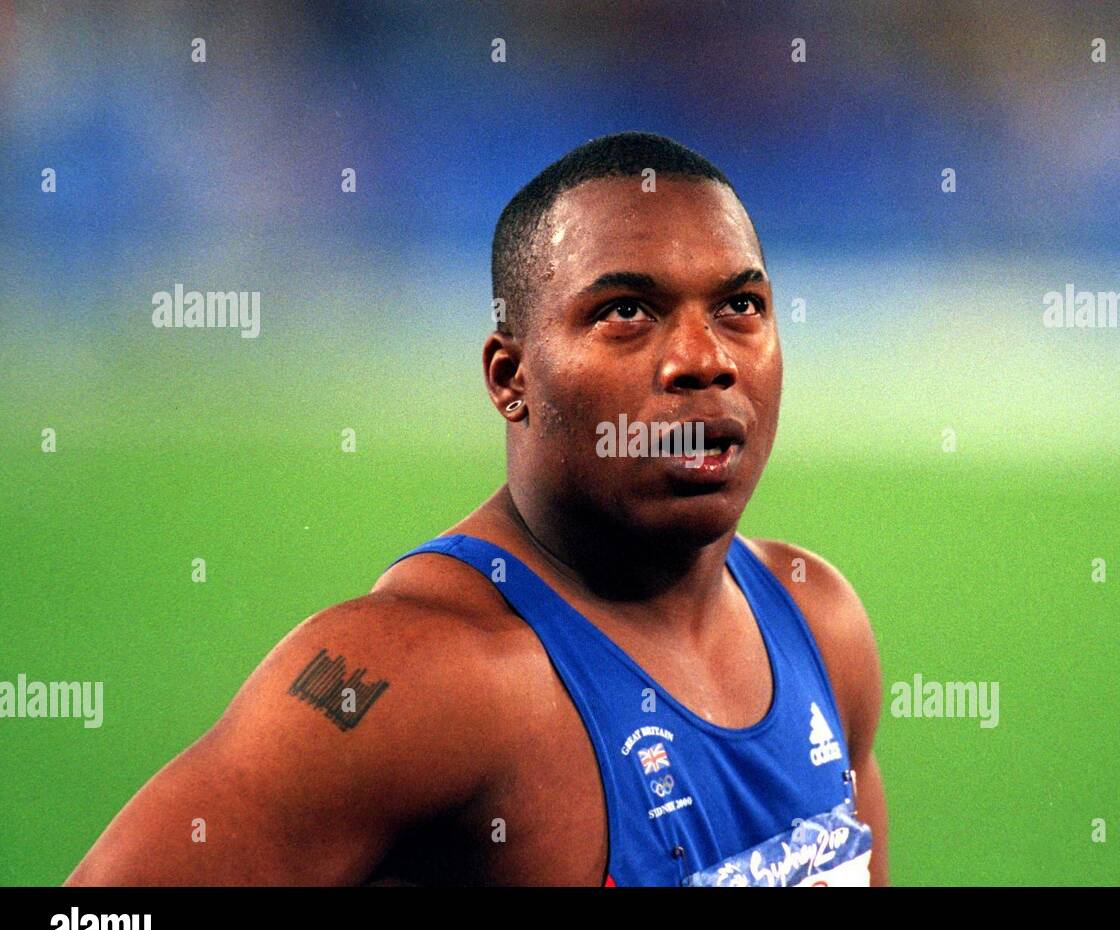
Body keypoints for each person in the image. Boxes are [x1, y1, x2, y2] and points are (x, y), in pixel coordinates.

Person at [66, 131, 889, 886]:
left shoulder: (821, 626)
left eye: (739, 307)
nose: (702, 359)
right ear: (510, 378)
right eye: (626, 312)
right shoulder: (420, 679)